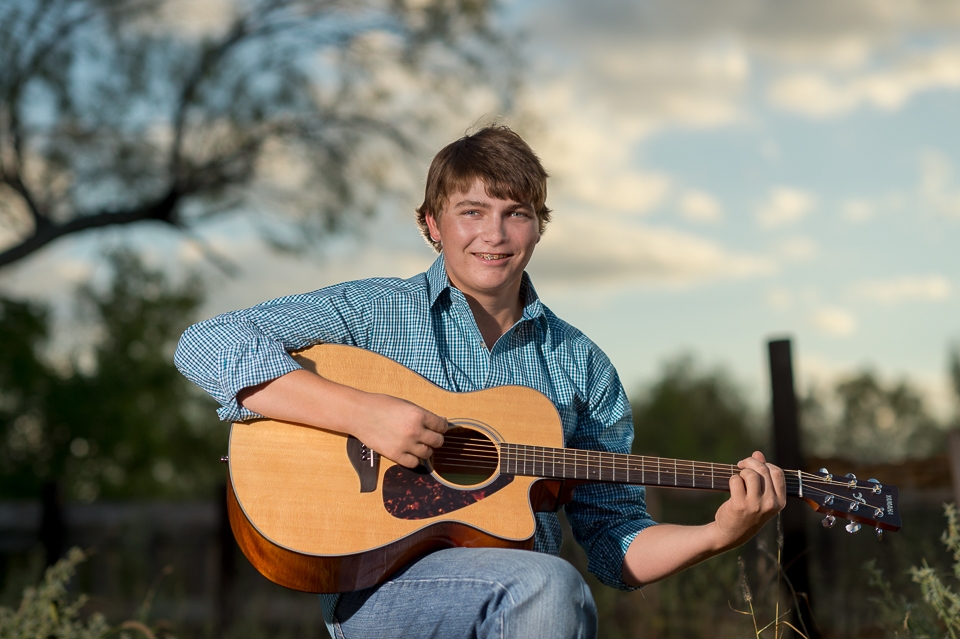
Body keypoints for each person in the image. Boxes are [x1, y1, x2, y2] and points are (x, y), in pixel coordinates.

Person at [175, 125, 786, 639]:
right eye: (471, 212)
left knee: (549, 587)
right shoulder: (369, 313)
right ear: (431, 223)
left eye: (515, 214)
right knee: (549, 584)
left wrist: (716, 534)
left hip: (527, 608)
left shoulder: (580, 364)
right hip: (380, 590)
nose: (493, 235)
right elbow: (204, 346)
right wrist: (363, 414)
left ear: (538, 227)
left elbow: (614, 542)